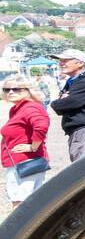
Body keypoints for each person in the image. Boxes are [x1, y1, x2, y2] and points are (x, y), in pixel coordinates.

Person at [1, 75, 51, 207]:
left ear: (28, 90)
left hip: (28, 161)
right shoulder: (17, 109)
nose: (11, 92)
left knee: (23, 203)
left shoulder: (30, 107)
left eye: (16, 89)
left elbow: (41, 126)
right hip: (18, 161)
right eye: (7, 89)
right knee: (22, 201)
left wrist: (32, 147)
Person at [50, 48, 85, 161]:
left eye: (65, 60)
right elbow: (62, 108)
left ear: (80, 63)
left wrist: (56, 103)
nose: (61, 63)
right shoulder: (74, 81)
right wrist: (61, 103)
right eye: (60, 60)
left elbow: (65, 104)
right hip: (81, 132)